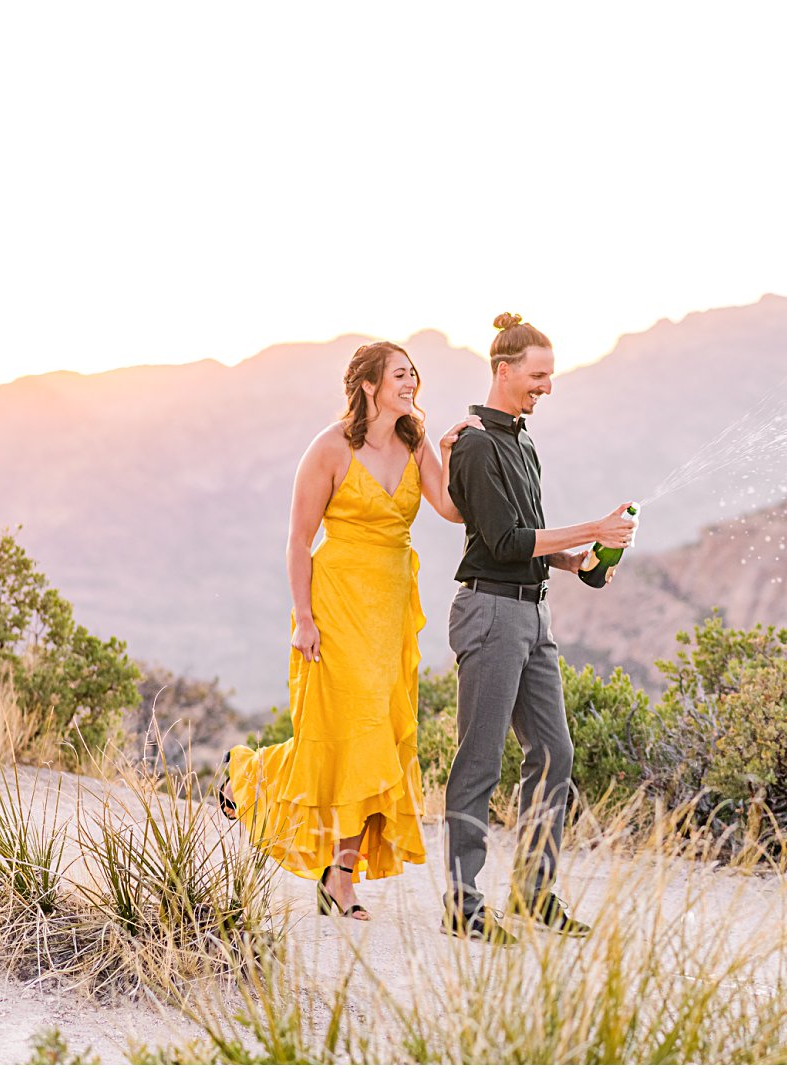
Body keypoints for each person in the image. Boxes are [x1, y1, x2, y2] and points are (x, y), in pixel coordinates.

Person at [220, 340, 480, 921]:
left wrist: (443, 450)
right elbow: (297, 541)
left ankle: (337, 869)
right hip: (336, 605)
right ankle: (255, 784)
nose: (410, 384)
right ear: (368, 386)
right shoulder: (329, 448)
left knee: (378, 736)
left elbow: (449, 509)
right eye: (399, 375)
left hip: (391, 610)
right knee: (348, 732)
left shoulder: (414, 443)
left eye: (414, 375)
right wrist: (304, 618)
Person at [441, 311, 637, 944]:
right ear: (505, 370)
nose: (547, 387)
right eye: (538, 375)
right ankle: (463, 900)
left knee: (554, 751)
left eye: (550, 376)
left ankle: (533, 892)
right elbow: (501, 540)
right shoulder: (475, 445)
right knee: (479, 759)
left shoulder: (522, 442)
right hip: (491, 611)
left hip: (533, 611)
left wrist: (580, 561)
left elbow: (531, 541)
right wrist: (594, 529)